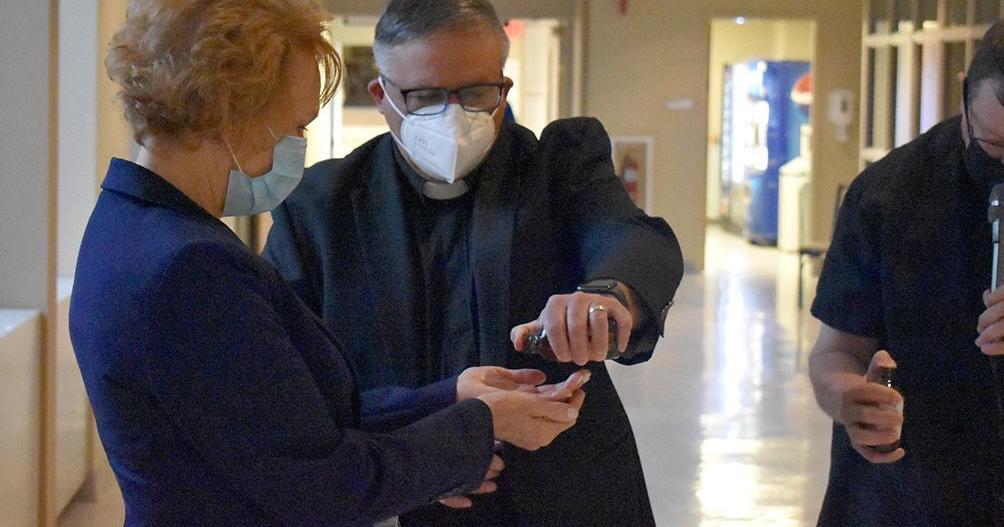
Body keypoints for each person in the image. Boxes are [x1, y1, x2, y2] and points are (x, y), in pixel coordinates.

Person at [69, 1, 590, 525]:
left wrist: (450, 397)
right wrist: (478, 428)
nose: (299, 143)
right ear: (232, 110)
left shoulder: (126, 223)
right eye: (295, 124)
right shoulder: (191, 269)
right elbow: (320, 484)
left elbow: (282, 425)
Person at [263, 1, 684, 525]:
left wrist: (607, 293)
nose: (453, 115)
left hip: (565, 491)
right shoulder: (321, 205)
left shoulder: (555, 167)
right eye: (426, 97)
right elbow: (290, 384)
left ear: (504, 87)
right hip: (412, 490)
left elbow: (627, 235)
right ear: (382, 94)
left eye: (477, 93)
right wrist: (418, 454)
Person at [808, 21, 1004, 526]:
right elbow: (836, 352)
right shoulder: (889, 195)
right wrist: (852, 401)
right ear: (962, 91)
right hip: (907, 490)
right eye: (995, 148)